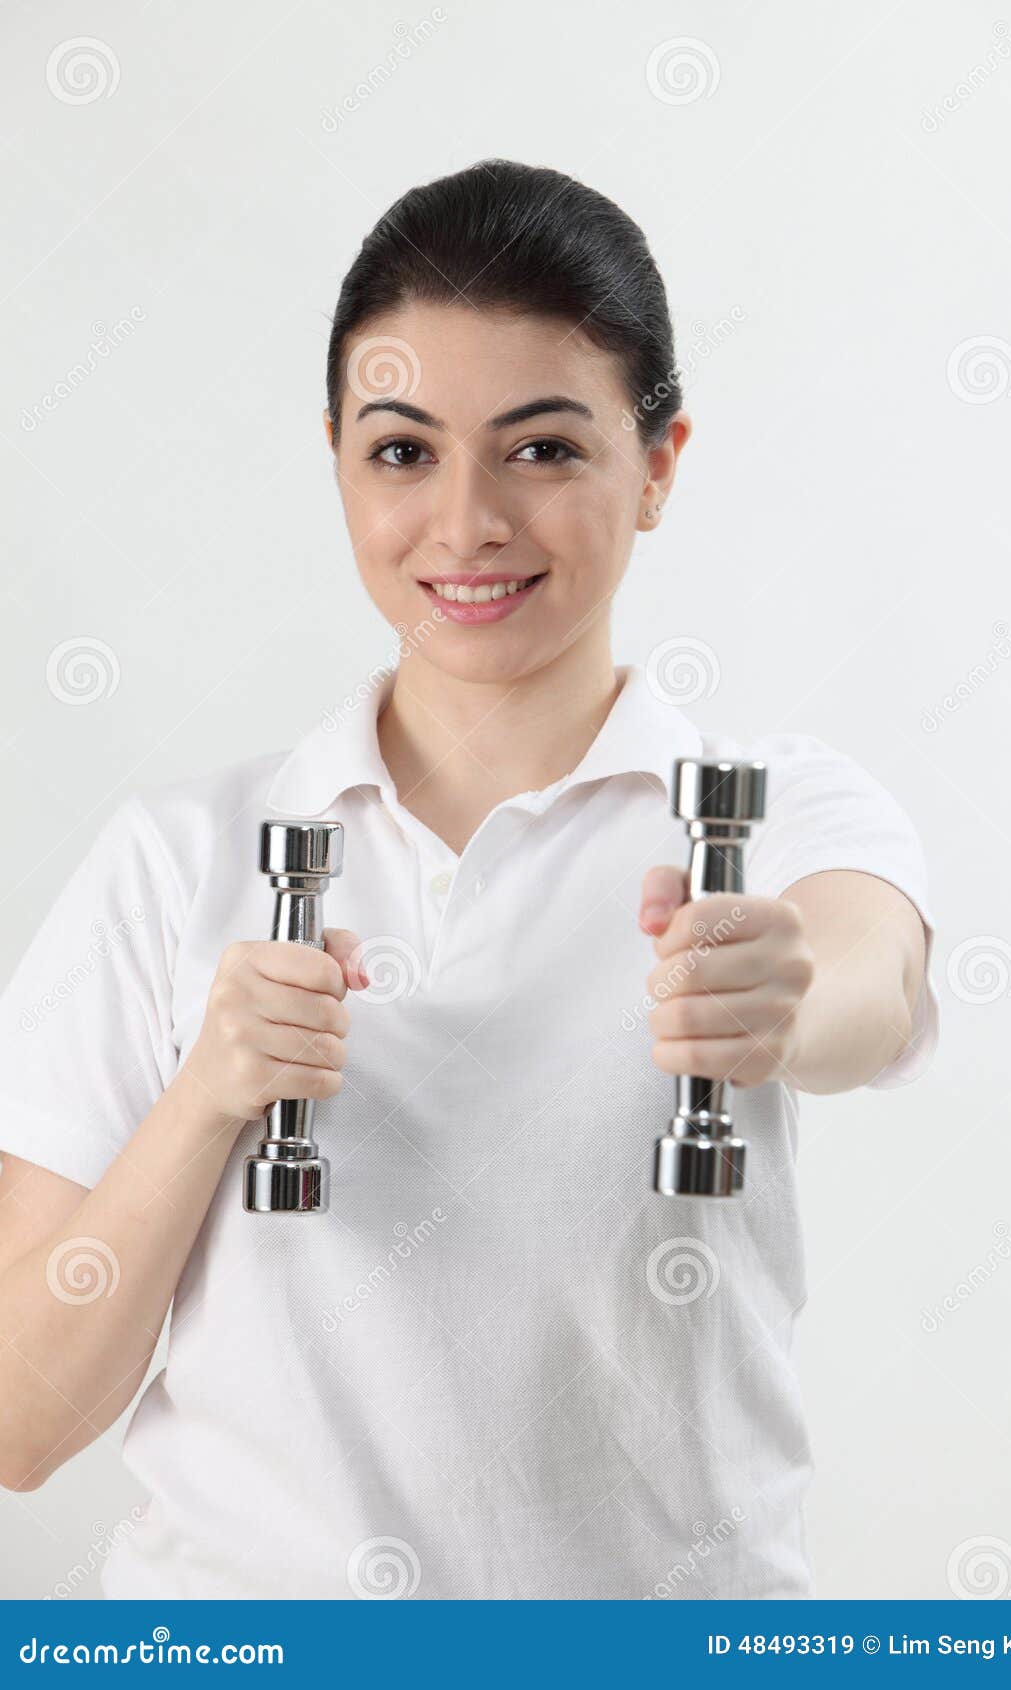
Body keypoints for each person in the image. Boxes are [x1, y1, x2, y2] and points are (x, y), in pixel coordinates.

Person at [0, 159, 937, 1600]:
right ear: (336, 459)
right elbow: (20, 1417)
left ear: (662, 463)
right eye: (403, 451)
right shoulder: (174, 859)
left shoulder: (775, 812)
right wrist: (205, 1096)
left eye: (543, 449)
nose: (466, 524)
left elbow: (869, 979)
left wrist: (782, 994)